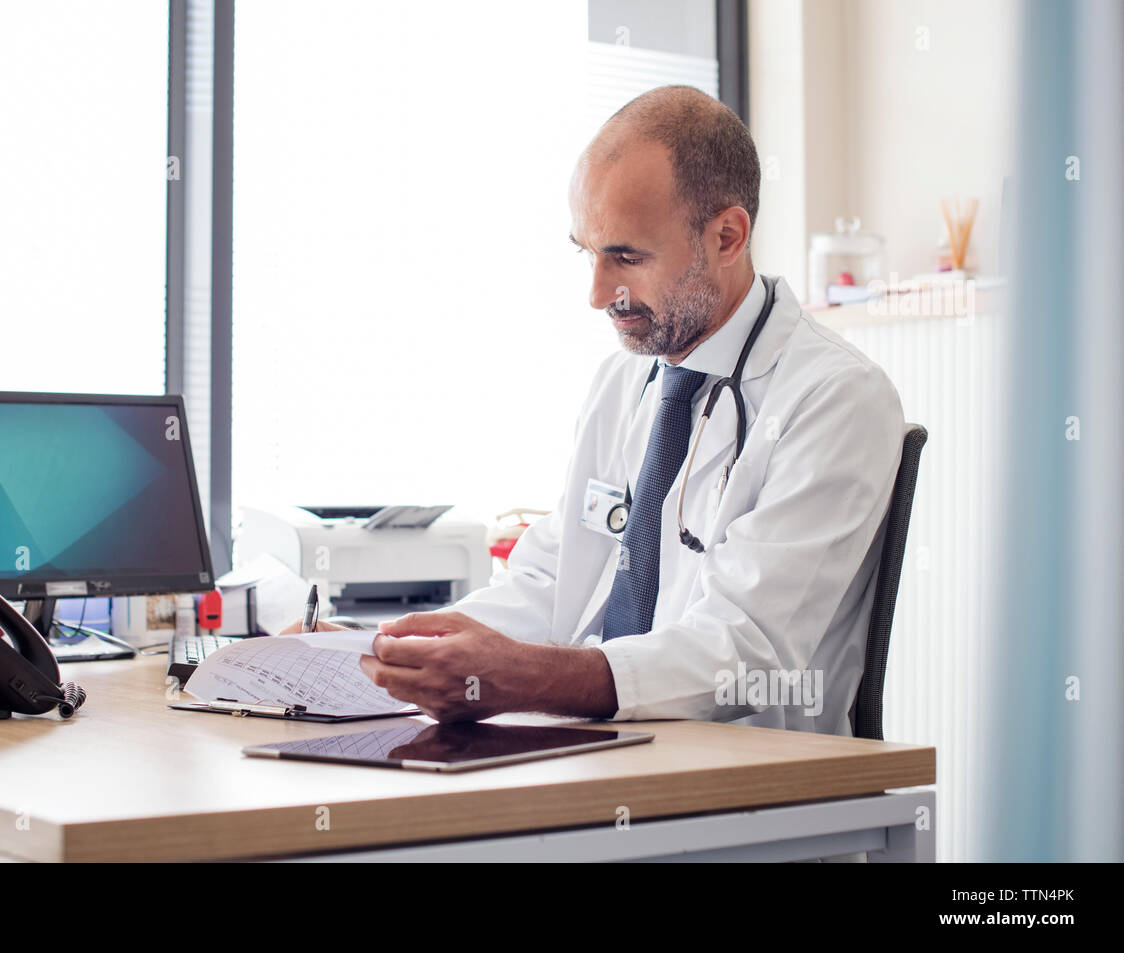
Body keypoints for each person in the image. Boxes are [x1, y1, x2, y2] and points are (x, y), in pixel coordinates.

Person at [285, 86, 904, 735]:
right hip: (599, 760)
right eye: (588, 251)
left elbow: (745, 655)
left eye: (626, 257)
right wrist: (390, 648)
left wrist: (521, 676)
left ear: (727, 235)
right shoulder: (625, 381)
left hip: (743, 792)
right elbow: (549, 582)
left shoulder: (834, 398)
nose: (597, 292)